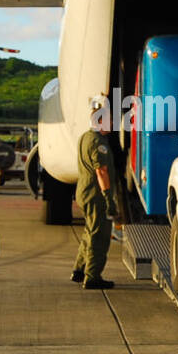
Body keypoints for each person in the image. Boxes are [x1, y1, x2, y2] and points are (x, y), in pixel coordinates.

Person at [70, 96, 118, 290]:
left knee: (89, 232)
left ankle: (79, 270)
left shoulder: (85, 137)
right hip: (96, 195)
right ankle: (92, 276)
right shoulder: (99, 142)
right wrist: (109, 199)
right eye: (109, 120)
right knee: (99, 235)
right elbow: (102, 171)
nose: (112, 123)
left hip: (83, 192)